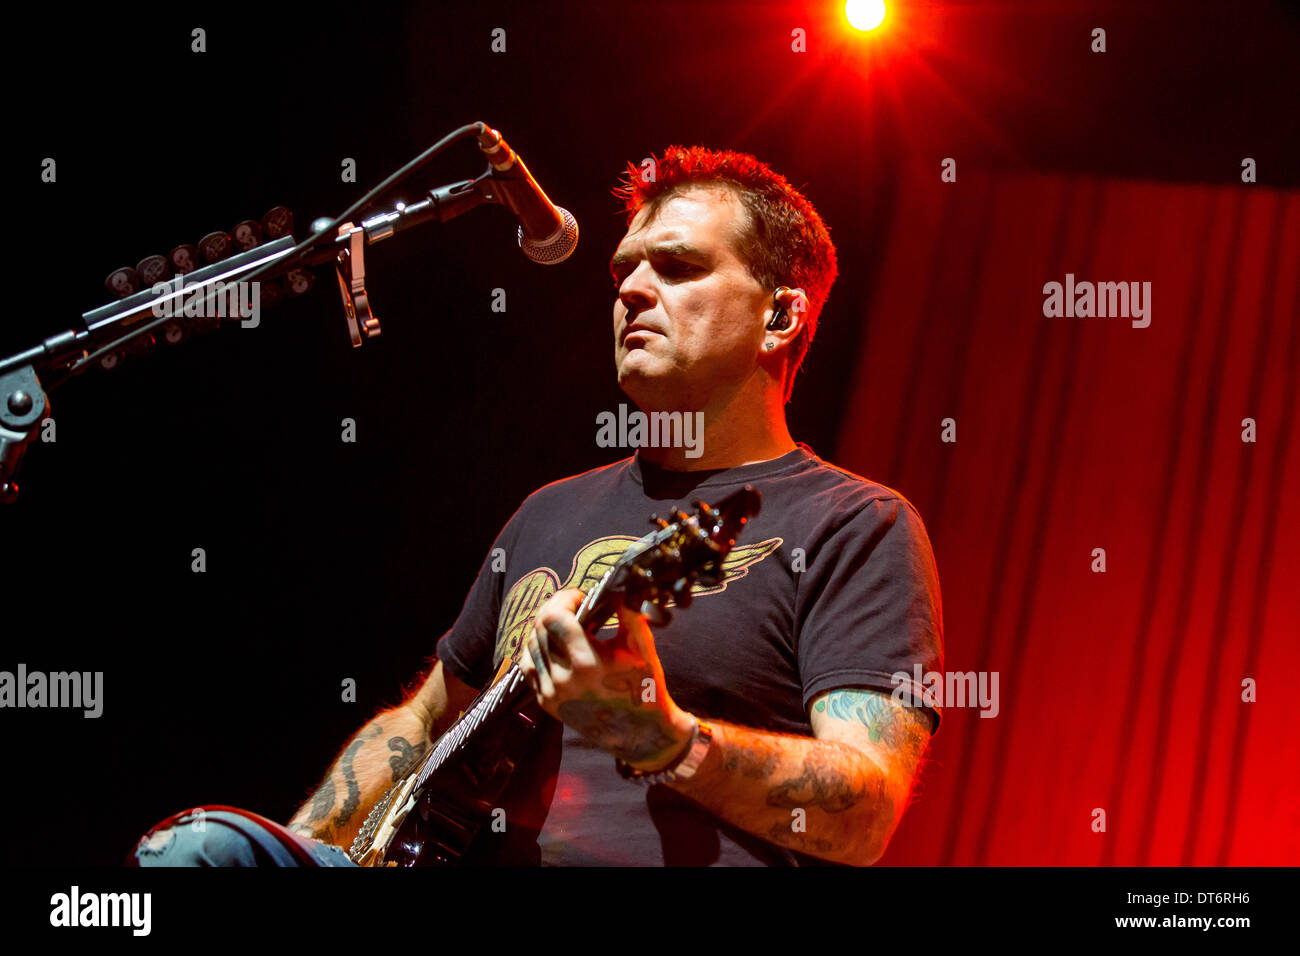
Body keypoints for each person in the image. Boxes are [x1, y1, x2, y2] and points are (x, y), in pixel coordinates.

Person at [130, 145, 944, 867]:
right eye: (624, 270)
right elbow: (419, 725)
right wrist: (305, 852)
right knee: (203, 854)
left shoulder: (855, 525)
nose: (633, 292)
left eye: (679, 266)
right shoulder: (549, 511)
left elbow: (865, 813)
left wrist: (667, 741)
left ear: (780, 314)